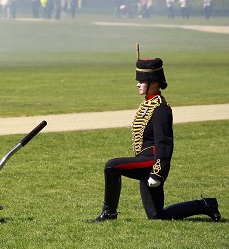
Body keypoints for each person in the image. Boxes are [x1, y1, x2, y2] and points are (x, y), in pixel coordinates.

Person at [91, 53, 220, 222]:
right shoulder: (147, 104)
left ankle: (109, 213)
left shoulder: (161, 109)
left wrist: (158, 173)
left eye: (142, 81)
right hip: (144, 160)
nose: (138, 84)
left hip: (152, 161)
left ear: (154, 82)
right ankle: (204, 205)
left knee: (111, 166)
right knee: (157, 216)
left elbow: (164, 143)